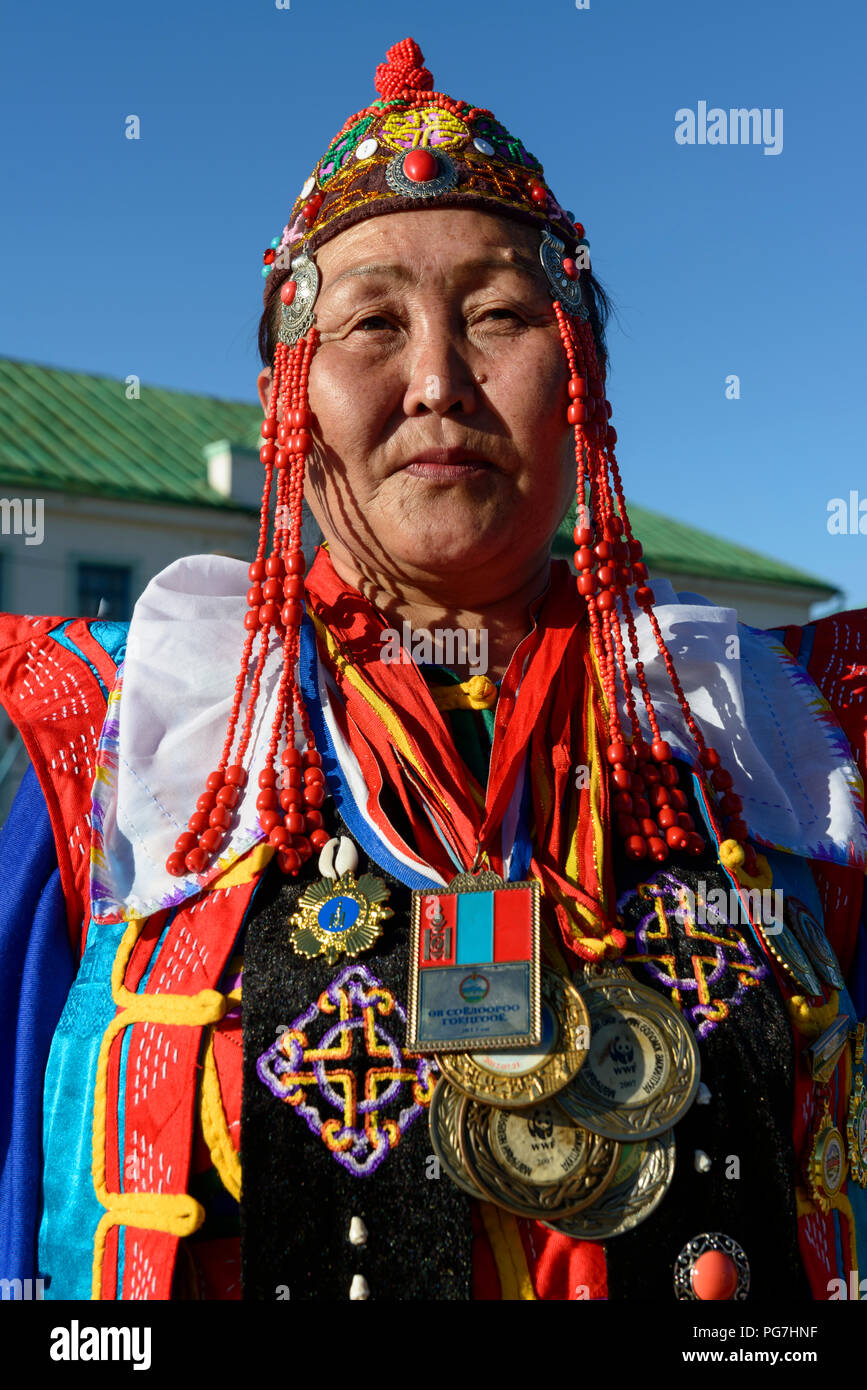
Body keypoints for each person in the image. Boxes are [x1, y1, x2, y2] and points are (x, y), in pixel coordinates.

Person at [1, 36, 865, 1303]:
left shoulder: (771, 741)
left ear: (586, 380)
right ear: (280, 402)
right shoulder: (127, 748)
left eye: (500, 315)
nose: (438, 382)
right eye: (372, 324)